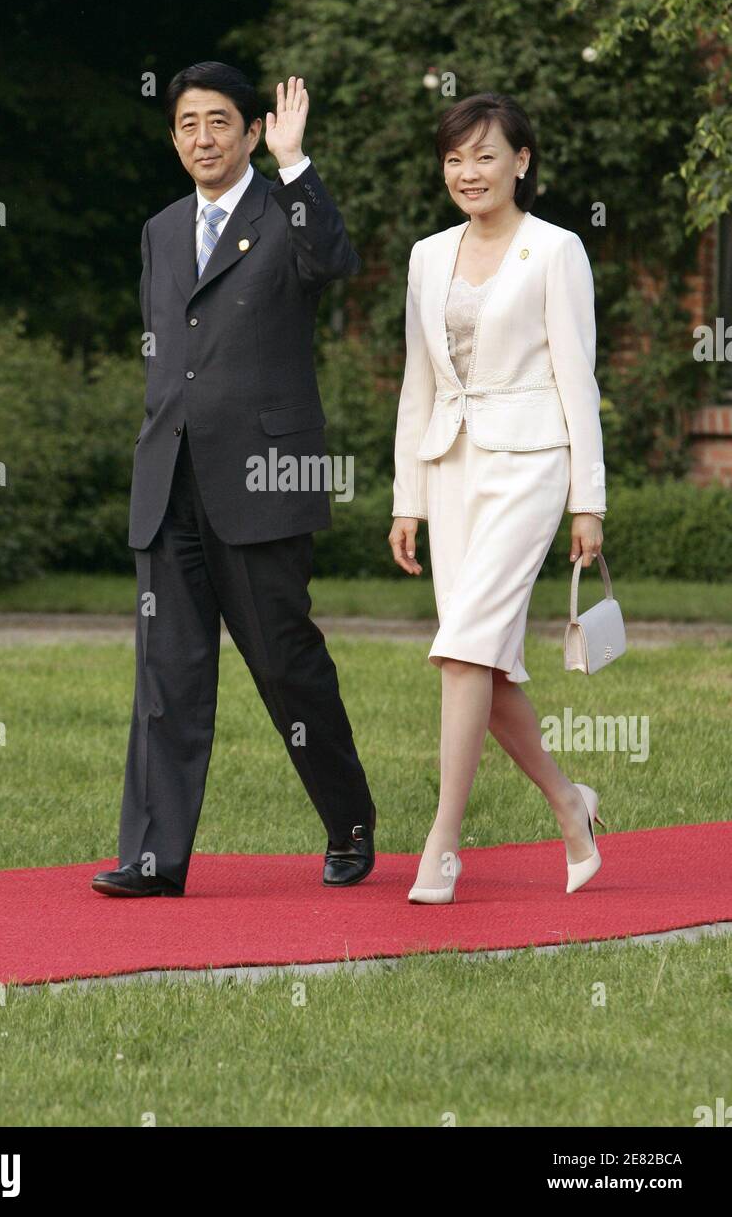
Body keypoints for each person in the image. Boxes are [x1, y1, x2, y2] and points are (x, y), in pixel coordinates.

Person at [92, 62, 376, 898]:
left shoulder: (285, 211)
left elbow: (333, 264)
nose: (202, 139)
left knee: (286, 664)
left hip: (262, 479)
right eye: (187, 124)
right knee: (166, 678)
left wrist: (297, 168)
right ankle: (152, 857)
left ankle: (348, 823)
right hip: (168, 482)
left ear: (252, 131)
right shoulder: (159, 229)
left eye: (220, 122)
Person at [389, 91, 607, 905]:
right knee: (481, 661)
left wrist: (589, 500)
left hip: (530, 465)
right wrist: (405, 496)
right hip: (449, 469)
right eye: (454, 158)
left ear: (521, 162)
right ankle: (568, 805)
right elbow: (418, 381)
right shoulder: (425, 255)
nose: (467, 172)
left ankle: (443, 841)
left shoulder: (555, 250)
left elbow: (575, 379)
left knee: (462, 647)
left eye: (485, 155)